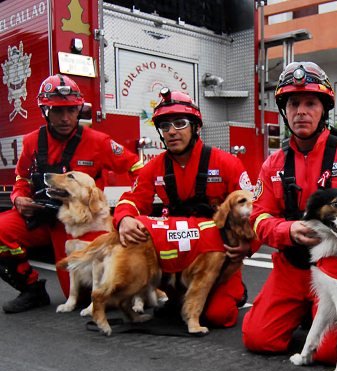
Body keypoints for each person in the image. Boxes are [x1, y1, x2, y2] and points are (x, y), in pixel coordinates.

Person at [242, 61, 337, 362]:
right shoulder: (272, 165)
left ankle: (320, 318)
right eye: (294, 103)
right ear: (285, 111)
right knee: (258, 338)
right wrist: (286, 231)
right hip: (291, 268)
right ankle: (303, 312)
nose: (301, 111)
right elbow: (258, 217)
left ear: (323, 109)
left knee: (328, 354)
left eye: (310, 103)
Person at [0, 74, 143, 313]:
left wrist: (131, 207)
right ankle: (32, 289)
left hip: (80, 224)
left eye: (71, 110)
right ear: (45, 111)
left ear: (79, 110)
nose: (65, 118)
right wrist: (19, 199)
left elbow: (138, 169)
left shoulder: (98, 141)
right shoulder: (31, 142)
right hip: (42, 218)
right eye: (57, 111)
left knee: (79, 294)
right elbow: (22, 178)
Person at [113, 88, 255, 328]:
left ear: (195, 127)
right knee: (169, 312)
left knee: (219, 316)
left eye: (179, 123)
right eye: (165, 126)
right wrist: (124, 219)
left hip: (217, 257)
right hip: (178, 254)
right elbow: (132, 199)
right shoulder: (154, 168)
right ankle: (178, 293)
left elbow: (255, 208)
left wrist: (248, 246)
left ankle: (233, 289)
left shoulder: (227, 163)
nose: (171, 132)